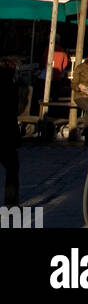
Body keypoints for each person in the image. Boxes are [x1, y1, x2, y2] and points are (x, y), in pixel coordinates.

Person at [0, 57, 20, 206]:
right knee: (12, 168)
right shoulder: (11, 86)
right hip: (6, 133)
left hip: (6, 131)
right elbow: (13, 111)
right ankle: (11, 202)